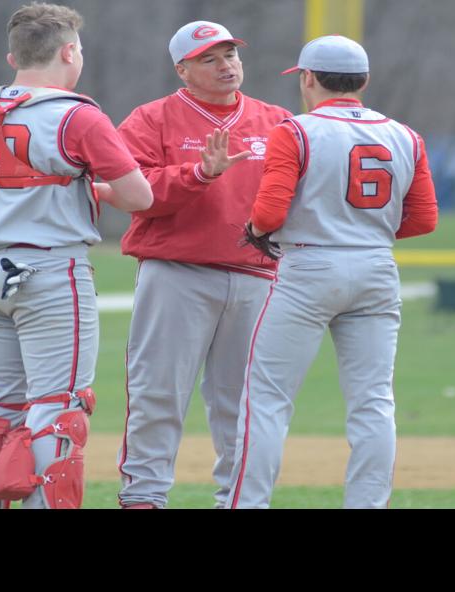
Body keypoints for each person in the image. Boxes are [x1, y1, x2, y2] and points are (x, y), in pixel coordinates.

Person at [0, 2, 151, 509]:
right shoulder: (76, 114)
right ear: (70, 51)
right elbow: (140, 197)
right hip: (47, 270)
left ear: (14, 56)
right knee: (59, 408)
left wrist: (17, 200)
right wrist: (78, 193)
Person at [225, 36, 437, 509]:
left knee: (267, 400)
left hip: (308, 265)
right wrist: (361, 233)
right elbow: (424, 219)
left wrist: (255, 228)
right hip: (376, 266)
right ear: (363, 81)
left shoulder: (296, 130)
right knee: (373, 403)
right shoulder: (404, 135)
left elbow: (271, 211)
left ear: (309, 78)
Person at [113, 22, 294, 510]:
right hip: (177, 272)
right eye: (210, 58)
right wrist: (199, 173)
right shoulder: (152, 119)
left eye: (230, 53)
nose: (226, 64)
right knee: (158, 393)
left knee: (243, 404)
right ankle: (144, 497)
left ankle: (241, 500)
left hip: (258, 276)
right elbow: (136, 195)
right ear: (183, 69)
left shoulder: (275, 119)